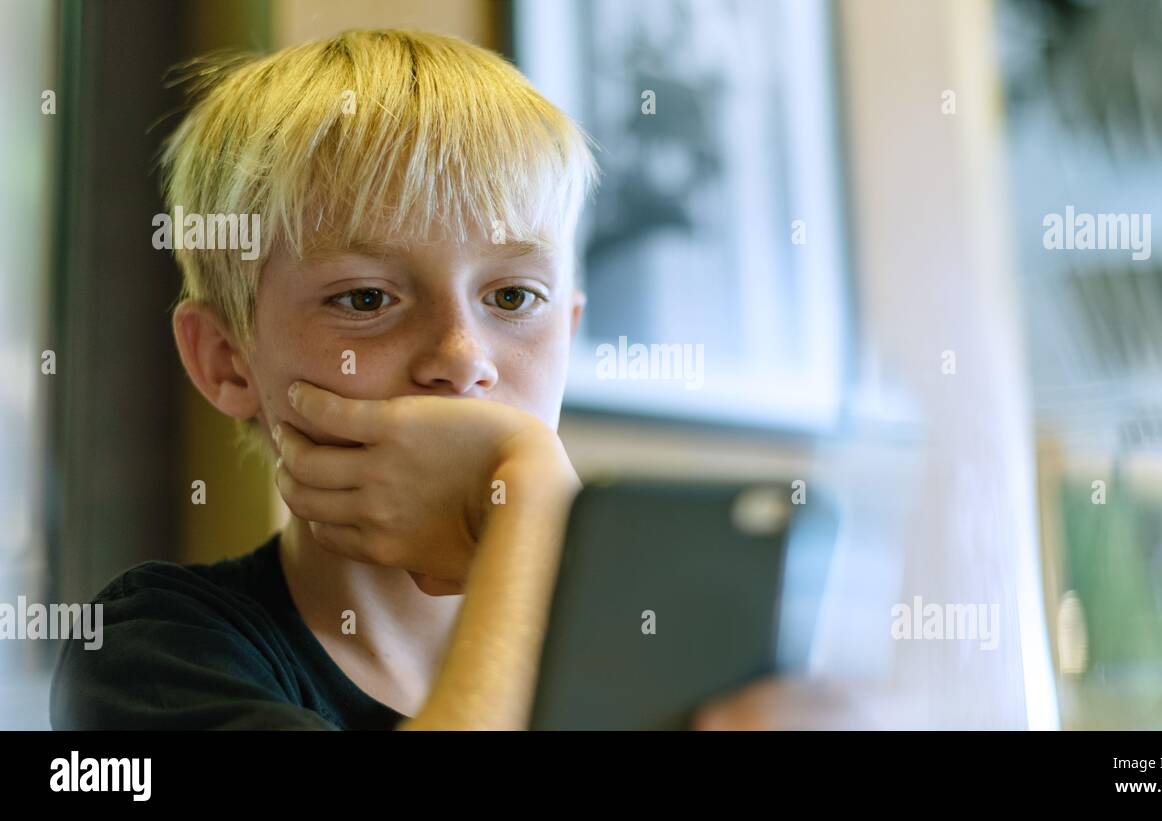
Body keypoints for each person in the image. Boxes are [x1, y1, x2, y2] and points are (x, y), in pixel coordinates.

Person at [49, 27, 846, 731]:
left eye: (511, 296)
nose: (463, 354)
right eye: (366, 298)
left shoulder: (672, 654)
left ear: (564, 334)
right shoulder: (154, 651)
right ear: (227, 361)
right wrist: (529, 500)